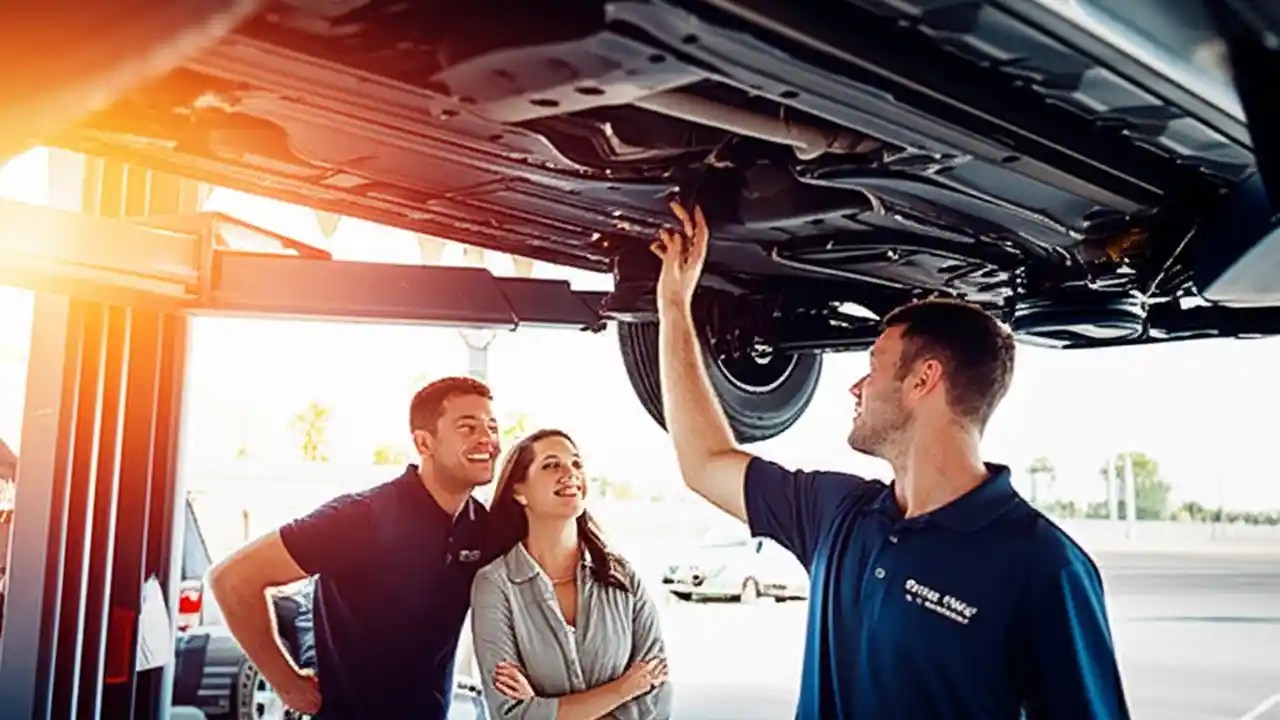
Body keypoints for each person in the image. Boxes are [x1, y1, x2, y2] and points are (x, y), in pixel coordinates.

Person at [648, 201, 1130, 719]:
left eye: (872, 368)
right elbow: (705, 461)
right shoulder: (835, 512)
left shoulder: (1043, 566)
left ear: (923, 380)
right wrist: (674, 306)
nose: (856, 387)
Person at [208, 376, 501, 719]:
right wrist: (287, 684)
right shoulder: (363, 517)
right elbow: (232, 578)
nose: (487, 439)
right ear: (425, 443)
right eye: (467, 428)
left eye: (492, 427)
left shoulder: (480, 526)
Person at [470, 428, 673, 720]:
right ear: (519, 491)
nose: (570, 474)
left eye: (576, 464)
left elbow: (656, 699)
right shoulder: (495, 585)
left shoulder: (622, 576)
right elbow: (511, 714)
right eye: (551, 465)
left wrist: (548, 710)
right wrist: (624, 689)